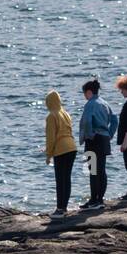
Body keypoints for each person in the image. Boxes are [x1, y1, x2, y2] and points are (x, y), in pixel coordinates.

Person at [77, 78, 117, 210]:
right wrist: (109, 134)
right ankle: (100, 199)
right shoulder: (105, 103)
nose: (84, 96)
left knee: (92, 170)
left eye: (84, 94)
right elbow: (115, 120)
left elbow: (87, 121)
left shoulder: (90, 104)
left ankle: (93, 200)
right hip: (104, 139)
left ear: (88, 92)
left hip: (93, 140)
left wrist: (88, 136)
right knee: (102, 170)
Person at [45, 90, 78, 218]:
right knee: (67, 178)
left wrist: (48, 154)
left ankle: (60, 209)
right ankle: (64, 207)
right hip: (72, 147)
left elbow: (51, 138)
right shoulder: (65, 113)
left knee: (60, 180)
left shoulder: (51, 116)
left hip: (61, 149)